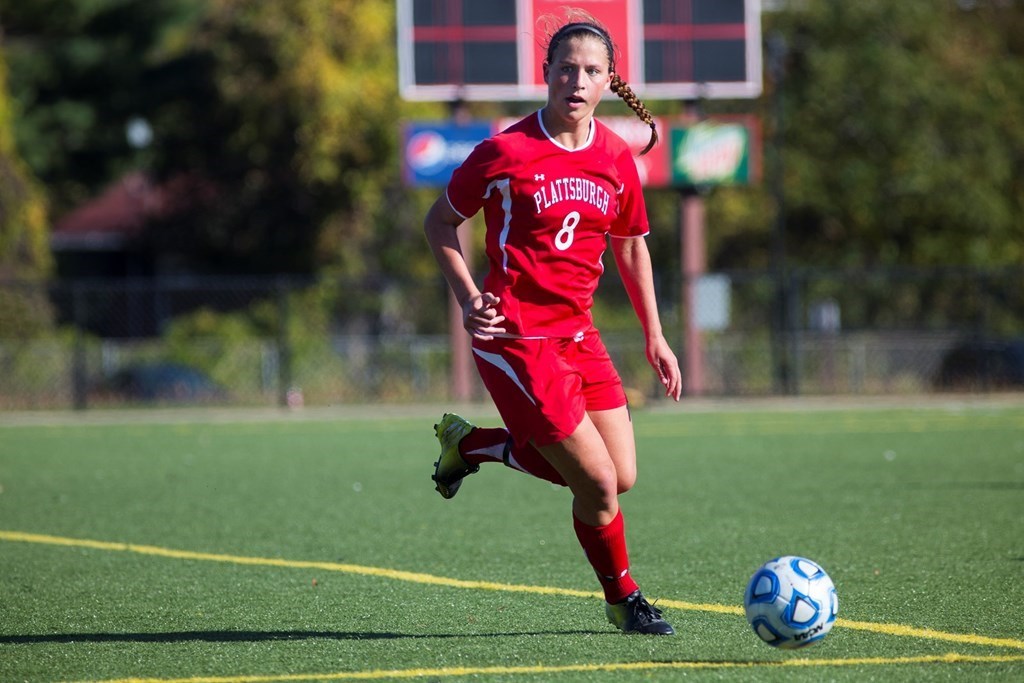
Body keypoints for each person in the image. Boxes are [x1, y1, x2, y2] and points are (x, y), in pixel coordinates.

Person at [422, 10, 682, 636]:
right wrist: (466, 300)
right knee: (594, 483)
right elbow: (439, 223)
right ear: (546, 73)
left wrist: (655, 334)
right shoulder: (504, 151)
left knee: (621, 477)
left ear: (607, 81)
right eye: (566, 68)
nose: (578, 80)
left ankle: (474, 444)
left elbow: (631, 245)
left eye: (592, 71)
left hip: (578, 334)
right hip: (514, 335)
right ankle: (623, 599)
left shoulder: (618, 158)